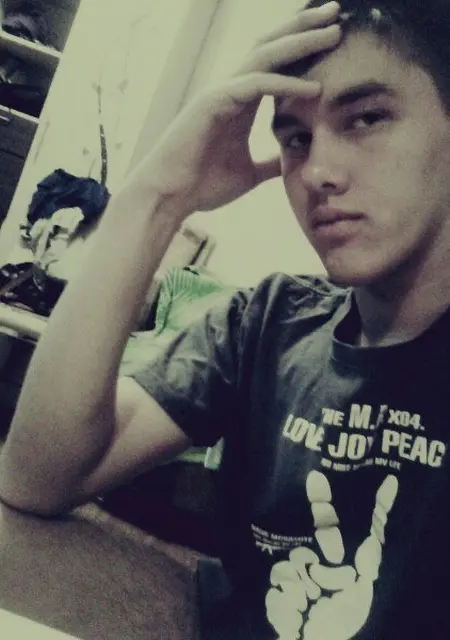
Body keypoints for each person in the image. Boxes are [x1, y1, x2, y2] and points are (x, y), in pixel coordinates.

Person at [1, 0, 450, 637]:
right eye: (296, 138)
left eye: (367, 118)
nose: (317, 172)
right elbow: (36, 477)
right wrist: (159, 196)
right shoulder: (268, 323)